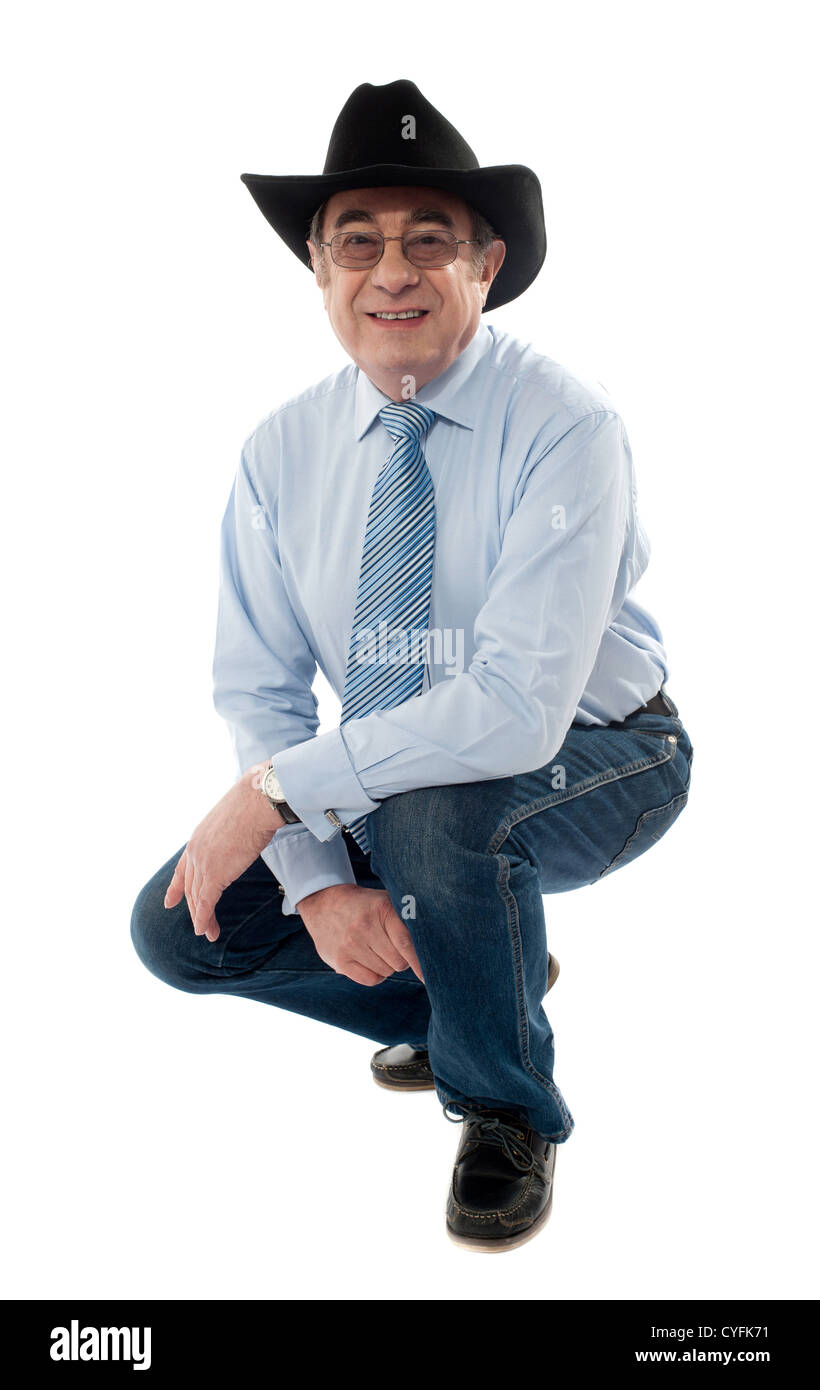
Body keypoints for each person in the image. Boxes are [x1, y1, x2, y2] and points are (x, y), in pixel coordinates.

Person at [130, 79, 694, 1253]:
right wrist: (313, 879)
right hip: (396, 772)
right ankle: (476, 983)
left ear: (484, 265)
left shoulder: (565, 427)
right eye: (359, 243)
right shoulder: (279, 454)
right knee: (183, 924)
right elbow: (261, 691)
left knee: (440, 821)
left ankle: (501, 1102)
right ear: (320, 273)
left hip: (604, 753)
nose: (392, 270)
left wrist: (281, 792)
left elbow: (517, 710)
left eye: (428, 241)